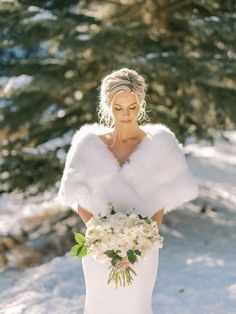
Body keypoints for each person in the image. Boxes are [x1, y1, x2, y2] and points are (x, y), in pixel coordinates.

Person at [57, 67, 199, 314]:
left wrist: (142, 241)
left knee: (136, 306)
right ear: (107, 105)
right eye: (118, 107)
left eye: (132, 107)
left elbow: (160, 202)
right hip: (98, 252)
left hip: (142, 252)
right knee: (99, 306)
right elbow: (78, 197)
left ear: (141, 104)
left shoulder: (160, 145)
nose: (125, 114)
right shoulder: (87, 145)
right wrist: (101, 237)